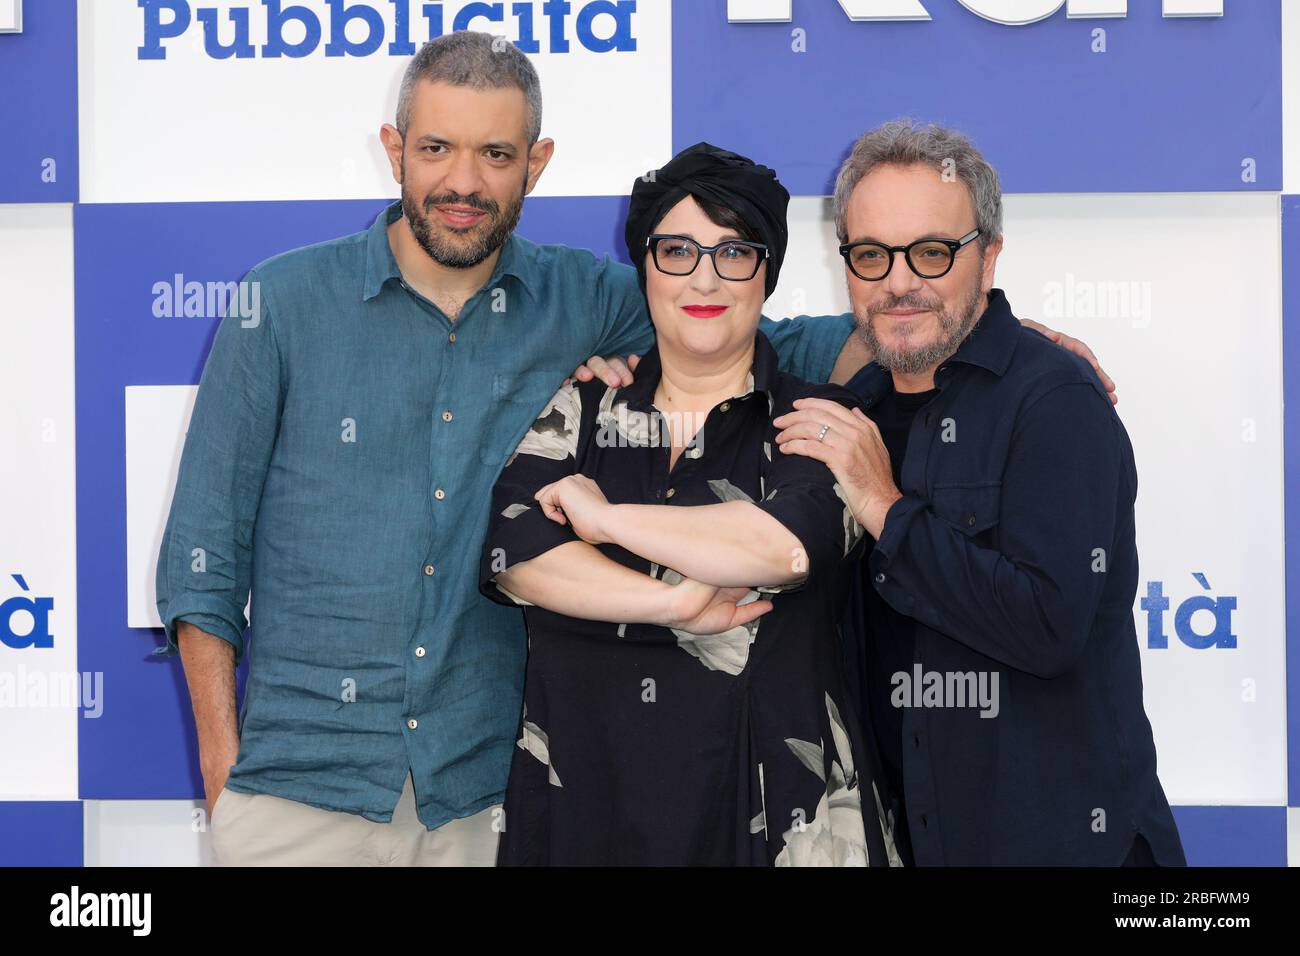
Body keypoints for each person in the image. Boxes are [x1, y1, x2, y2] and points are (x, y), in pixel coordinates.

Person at [155, 27, 1111, 865]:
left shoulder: (597, 303)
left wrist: (996, 335)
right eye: (438, 148)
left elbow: (771, 331)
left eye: (496, 153)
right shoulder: (277, 305)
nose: (463, 181)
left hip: (476, 795)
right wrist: (223, 770)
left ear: (536, 164)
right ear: (395, 149)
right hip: (300, 791)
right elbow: (206, 558)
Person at [771, 119, 1185, 866]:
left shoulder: (1054, 400)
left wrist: (887, 511)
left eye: (931, 252)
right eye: (871, 255)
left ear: (987, 257)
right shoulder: (852, 410)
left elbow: (1049, 626)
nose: (899, 282)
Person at [479, 143, 900, 866]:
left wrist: (602, 520)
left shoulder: (820, 416)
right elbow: (515, 555)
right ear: (644, 264)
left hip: (777, 816)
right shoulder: (583, 406)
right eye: (677, 250)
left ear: (765, 273)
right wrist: (675, 605)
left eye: (734, 252)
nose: (704, 277)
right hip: (588, 808)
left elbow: (782, 545)